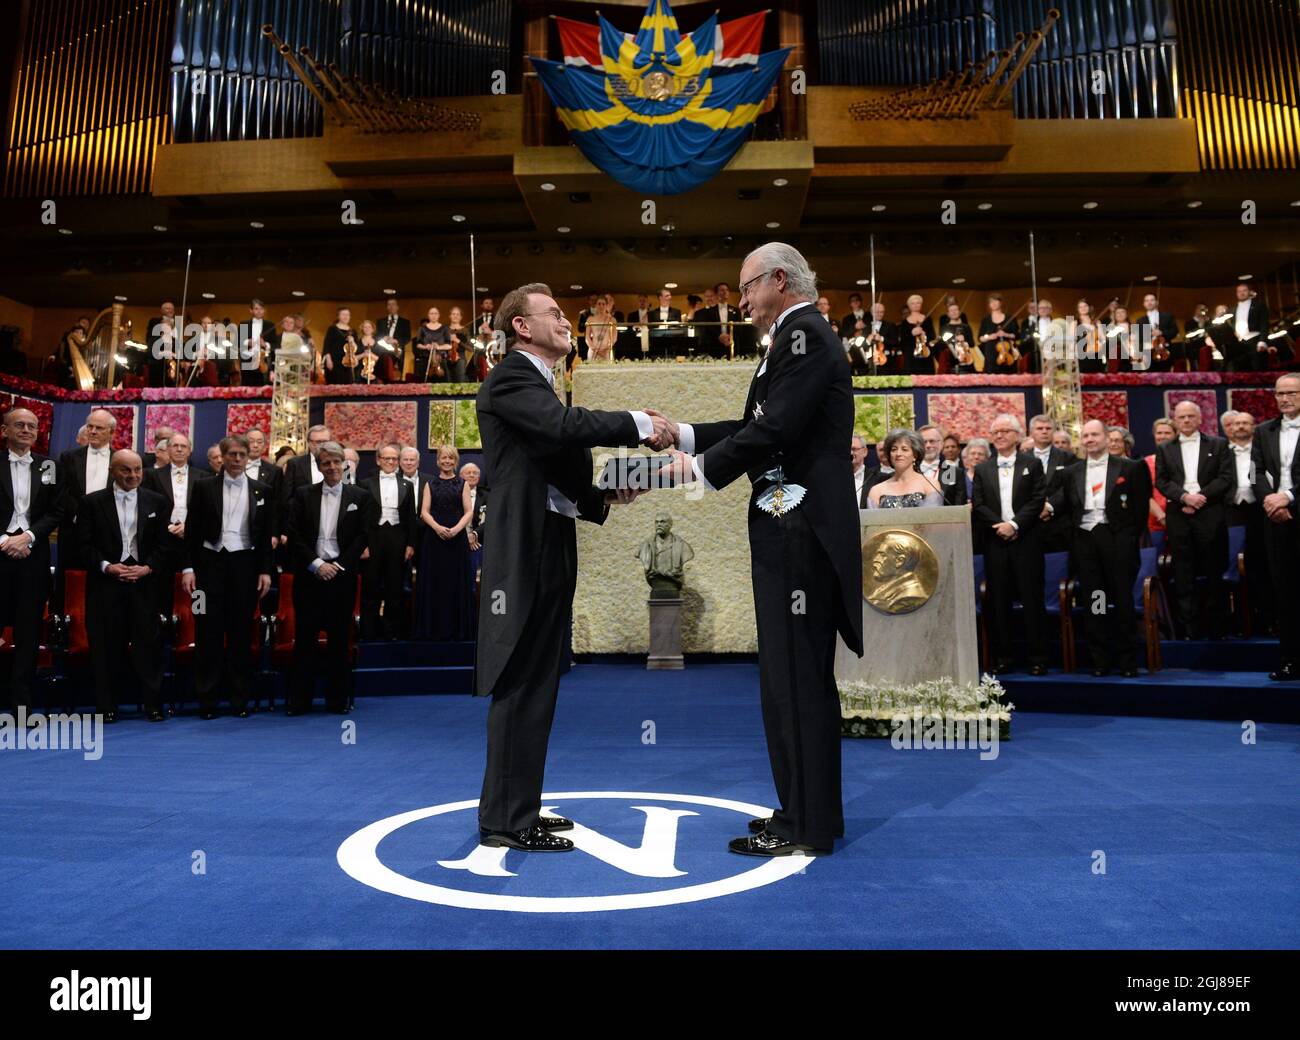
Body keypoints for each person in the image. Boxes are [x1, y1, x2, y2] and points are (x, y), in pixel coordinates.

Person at [656, 242, 864, 857]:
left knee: (796, 678)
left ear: (779, 280)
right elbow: (754, 425)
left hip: (798, 526)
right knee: (787, 676)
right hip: (785, 522)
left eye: (746, 288)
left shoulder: (806, 336)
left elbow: (774, 431)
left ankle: (807, 826)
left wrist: (694, 472)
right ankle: (805, 810)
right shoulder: (791, 340)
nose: (740, 301)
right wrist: (685, 435)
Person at [474, 281, 661, 853]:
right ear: (522, 328)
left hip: (549, 541)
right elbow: (562, 430)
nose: (565, 320)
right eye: (552, 313)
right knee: (522, 680)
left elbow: (554, 467)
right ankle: (505, 820)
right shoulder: (512, 375)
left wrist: (603, 497)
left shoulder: (543, 384)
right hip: (523, 549)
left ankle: (519, 809)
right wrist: (640, 423)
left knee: (541, 680)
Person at [76, 450, 175, 722]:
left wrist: (148, 567)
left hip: (145, 584)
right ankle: (107, 706)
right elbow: (82, 545)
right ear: (112, 471)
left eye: (137, 470)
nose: (133, 476)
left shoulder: (158, 502)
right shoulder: (91, 503)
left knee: (149, 646)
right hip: (106, 585)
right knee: (106, 648)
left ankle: (152, 705)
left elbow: (165, 545)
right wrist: (107, 566)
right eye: (126, 470)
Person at [179, 434, 274, 719]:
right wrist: (187, 568)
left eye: (241, 455)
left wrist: (265, 570)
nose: (235, 460)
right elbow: (191, 530)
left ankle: (239, 701)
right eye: (230, 454)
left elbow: (266, 533)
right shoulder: (204, 486)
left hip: (245, 566)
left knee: (241, 634)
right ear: (222, 456)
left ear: (248, 457)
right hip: (207, 568)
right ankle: (207, 702)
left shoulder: (263, 490)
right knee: (206, 632)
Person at [286, 441, 373, 714]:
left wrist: (338, 566)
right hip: (310, 577)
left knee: (339, 641)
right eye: (326, 463)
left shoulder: (360, 496)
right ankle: (300, 702)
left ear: (344, 464)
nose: (333, 467)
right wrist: (316, 564)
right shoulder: (302, 495)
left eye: (337, 462)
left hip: (342, 577)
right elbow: (294, 535)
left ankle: (337, 701)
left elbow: (363, 537)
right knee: (305, 640)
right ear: (319, 466)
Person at [1064, 420, 1152, 676]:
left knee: (1122, 601)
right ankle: (1100, 660)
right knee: (1096, 601)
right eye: (1086, 436)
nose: (1090, 439)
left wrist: (1126, 537)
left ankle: (1127, 661)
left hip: (1118, 542)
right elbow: (1069, 509)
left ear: (1107, 438)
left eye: (1095, 434)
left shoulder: (1131, 467)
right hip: (1086, 543)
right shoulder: (1071, 471)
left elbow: (1140, 509)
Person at [972, 413, 1048, 675]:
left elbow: (1038, 499)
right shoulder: (982, 469)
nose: (1000, 436)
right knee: (999, 602)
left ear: (1017, 435)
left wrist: (1014, 525)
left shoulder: (1033, 464)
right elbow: (978, 504)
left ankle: (1038, 657)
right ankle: (1003, 657)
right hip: (995, 542)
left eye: (1005, 431)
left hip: (1026, 540)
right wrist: (1000, 526)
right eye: (996, 432)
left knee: (1032, 600)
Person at [1, 408, 65, 712]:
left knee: (28, 634)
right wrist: (5, 540)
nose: (26, 430)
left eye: (32, 426)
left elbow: (56, 510)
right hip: (0, 553)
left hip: (33, 556)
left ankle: (20, 706)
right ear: (5, 430)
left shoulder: (49, 465)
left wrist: (27, 537)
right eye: (20, 425)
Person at [1155, 401, 1233, 640]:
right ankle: (1189, 629)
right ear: (1175, 420)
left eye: (1191, 416)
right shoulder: (1165, 448)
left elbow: (1226, 477)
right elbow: (1162, 481)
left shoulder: (1219, 444)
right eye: (1182, 417)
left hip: (1210, 514)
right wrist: (1185, 497)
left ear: (1200, 419)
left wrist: (1201, 498)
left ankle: (1217, 628)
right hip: (1179, 515)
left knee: (1213, 570)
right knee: (1183, 573)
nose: (1186, 420)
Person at [1250, 373, 1300, 680]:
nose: (1284, 398)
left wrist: (1289, 498)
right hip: (1275, 520)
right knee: (1285, 593)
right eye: (1280, 393)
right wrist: (1270, 500)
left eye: (1291, 393)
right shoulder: (1263, 430)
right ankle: (1290, 660)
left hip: (1294, 508)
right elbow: (1254, 473)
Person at [413, 445, 476, 641]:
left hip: (457, 541)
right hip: (434, 540)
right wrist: (438, 528)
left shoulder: (463, 484)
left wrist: (457, 530)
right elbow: (424, 511)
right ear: (438, 460)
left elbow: (469, 511)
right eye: (443, 458)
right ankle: (433, 629)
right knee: (436, 583)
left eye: (450, 458)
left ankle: (458, 630)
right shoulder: (430, 484)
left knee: (455, 582)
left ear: (455, 461)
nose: (447, 461)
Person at [359, 443, 416, 641]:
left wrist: (410, 544)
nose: (390, 462)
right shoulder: (365, 484)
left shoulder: (407, 485)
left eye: (394, 459)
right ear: (378, 460)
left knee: (395, 588)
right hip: (373, 539)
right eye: (386, 458)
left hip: (398, 539)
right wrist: (362, 545)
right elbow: (360, 517)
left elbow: (411, 517)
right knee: (370, 587)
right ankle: (369, 631)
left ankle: (393, 632)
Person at [1222, 409, 1272, 635]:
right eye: (1236, 423)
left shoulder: (1262, 451)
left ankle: (1266, 620)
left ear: (1254, 426)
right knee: (1232, 570)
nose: (1240, 427)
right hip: (1230, 514)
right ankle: (1236, 622)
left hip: (1258, 513)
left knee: (1260, 568)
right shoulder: (1221, 451)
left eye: (1245, 423)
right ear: (1230, 428)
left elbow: (1257, 478)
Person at [57, 408, 117, 569]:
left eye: (99, 428)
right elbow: (62, 491)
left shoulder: (120, 458)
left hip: (108, 532)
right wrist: (80, 514)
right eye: (90, 427)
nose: (93, 431)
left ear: (111, 432)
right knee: (69, 582)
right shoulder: (68, 457)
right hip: (73, 530)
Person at [1027, 414, 1073, 554]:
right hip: (1029, 524)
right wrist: (1035, 507)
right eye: (1040, 428)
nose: (1044, 431)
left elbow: (1071, 487)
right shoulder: (1020, 459)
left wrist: (1049, 506)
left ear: (1053, 431)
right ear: (1031, 433)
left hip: (1060, 525)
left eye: (1048, 428)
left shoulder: (1068, 458)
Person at [867, 429, 946, 509]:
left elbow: (932, 519)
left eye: (904, 449)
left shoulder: (930, 485)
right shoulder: (876, 490)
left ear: (915, 455)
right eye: (894, 449)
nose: (898, 454)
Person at [1145, 418, 1176, 537]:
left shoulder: (1184, 461)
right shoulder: (1146, 463)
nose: (1163, 436)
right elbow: (1144, 494)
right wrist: (1161, 516)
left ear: (1175, 435)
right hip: (1154, 523)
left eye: (1167, 433)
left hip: (1181, 519)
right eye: (1159, 433)